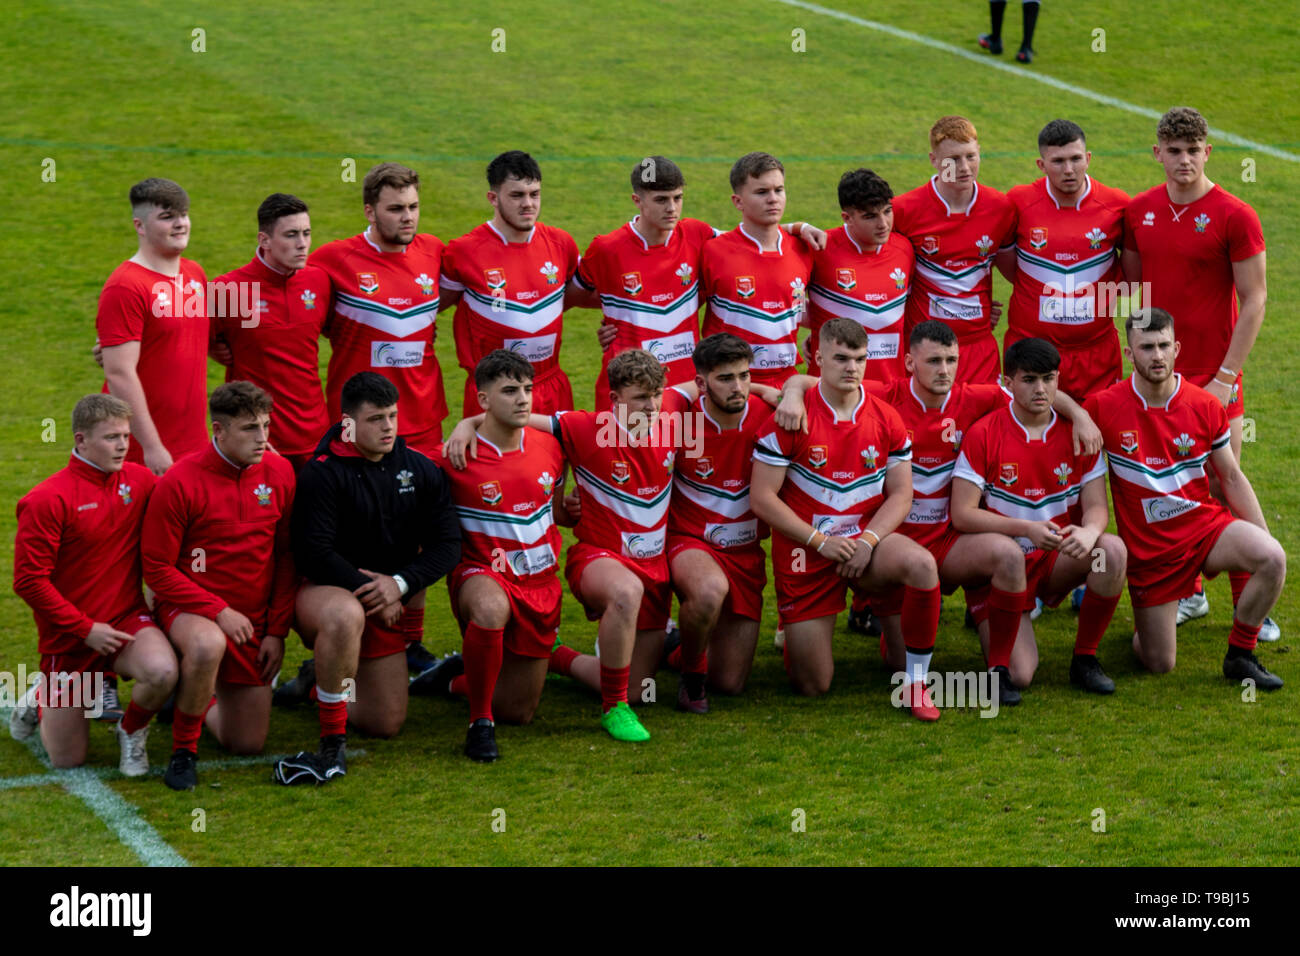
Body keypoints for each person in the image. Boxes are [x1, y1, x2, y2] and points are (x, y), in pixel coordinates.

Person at [779, 320, 1101, 705]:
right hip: (891, 543)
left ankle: (1000, 668)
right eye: (933, 360)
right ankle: (883, 635)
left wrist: (1079, 415)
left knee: (1007, 555)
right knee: (887, 666)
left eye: (951, 360)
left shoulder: (979, 398)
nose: (944, 370)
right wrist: (792, 392)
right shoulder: (883, 395)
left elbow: (1036, 388)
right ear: (909, 362)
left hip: (951, 543)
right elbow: (812, 384)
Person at [446, 349, 679, 742]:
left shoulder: (675, 419)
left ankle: (558, 659)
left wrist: (787, 391)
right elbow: (509, 416)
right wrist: (465, 424)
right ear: (615, 399)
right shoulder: (582, 428)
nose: (651, 405)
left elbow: (709, 382)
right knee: (625, 593)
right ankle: (614, 709)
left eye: (657, 394)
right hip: (598, 560)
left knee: (640, 689)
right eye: (641, 397)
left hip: (655, 566)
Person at [1123, 106, 1276, 640]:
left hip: (1214, 378)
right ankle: (1184, 594)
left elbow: (1254, 300)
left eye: (1193, 150)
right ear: (1157, 153)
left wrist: (1227, 375)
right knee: (1166, 485)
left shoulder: (1236, 214)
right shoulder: (1139, 212)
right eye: (1174, 150)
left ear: (1208, 152)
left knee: (1222, 481)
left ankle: (1252, 600)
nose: (1184, 159)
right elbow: (1136, 297)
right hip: (1156, 378)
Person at [275, 373, 461, 784]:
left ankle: (316, 682)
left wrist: (399, 584)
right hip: (326, 594)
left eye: (393, 416)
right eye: (376, 419)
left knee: (385, 723)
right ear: (348, 424)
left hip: (384, 599)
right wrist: (375, 591)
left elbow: (448, 544)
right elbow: (314, 554)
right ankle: (331, 742)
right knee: (344, 617)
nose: (389, 427)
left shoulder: (419, 469)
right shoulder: (321, 473)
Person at [750, 318, 942, 714]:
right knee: (813, 685)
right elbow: (762, 499)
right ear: (818, 358)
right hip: (808, 552)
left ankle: (916, 683)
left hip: (867, 547)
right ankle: (799, 632)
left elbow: (902, 494)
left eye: (860, 359)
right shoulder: (790, 419)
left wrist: (868, 542)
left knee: (922, 564)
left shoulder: (887, 418)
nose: (852, 368)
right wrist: (822, 542)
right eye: (841, 358)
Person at [1085, 308, 1284, 689]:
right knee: (1159, 663)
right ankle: (1151, 621)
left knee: (1272, 557)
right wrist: (1075, 414)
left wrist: (1262, 532)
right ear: (1130, 355)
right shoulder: (1104, 407)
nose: (1156, 356)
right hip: (1151, 553)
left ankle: (1240, 655)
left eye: (1163, 346)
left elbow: (1229, 476)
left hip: (1204, 530)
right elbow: (1045, 403)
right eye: (1146, 348)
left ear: (1176, 349)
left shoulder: (1206, 405)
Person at [309, 162, 448, 668]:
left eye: (412, 206)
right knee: (357, 535)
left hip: (423, 420)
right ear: (370, 210)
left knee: (416, 533)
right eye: (395, 209)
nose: (407, 217)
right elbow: (292, 317)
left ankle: (409, 645)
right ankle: (347, 636)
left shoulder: (434, 252)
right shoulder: (332, 261)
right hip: (356, 431)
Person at [950, 338, 1126, 697]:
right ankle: (999, 650)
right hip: (1001, 566)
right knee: (1021, 675)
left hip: (1054, 559)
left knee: (1111, 551)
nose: (1041, 389)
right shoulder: (985, 432)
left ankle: (1085, 658)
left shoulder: (1078, 432)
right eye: (1029, 380)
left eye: (1048, 378)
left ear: (1058, 380)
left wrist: (1091, 532)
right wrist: (1025, 528)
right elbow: (962, 514)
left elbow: (1096, 507)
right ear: (1008, 382)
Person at [141, 382, 297, 790]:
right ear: (219, 430)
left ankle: (195, 692)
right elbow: (156, 568)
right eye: (249, 428)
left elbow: (285, 558)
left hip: (251, 621)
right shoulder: (179, 481)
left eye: (266, 425)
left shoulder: (281, 473)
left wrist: (277, 630)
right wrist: (218, 611)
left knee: (245, 743)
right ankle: (183, 753)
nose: (263, 438)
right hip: (190, 609)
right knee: (209, 643)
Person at [12, 395, 177, 775]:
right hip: (69, 638)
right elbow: (28, 581)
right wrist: (85, 629)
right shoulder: (46, 500)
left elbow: (185, 495)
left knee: (163, 672)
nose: (122, 446)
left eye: (125, 436)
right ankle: (40, 695)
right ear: (81, 440)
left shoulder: (138, 481)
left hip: (125, 619)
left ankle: (131, 730)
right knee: (68, 761)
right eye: (110, 438)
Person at [432, 350, 570, 761]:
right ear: (483, 399)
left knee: (519, 712)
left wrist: (571, 513)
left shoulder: (551, 446)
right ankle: (479, 724)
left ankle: (452, 680)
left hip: (541, 585)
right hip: (483, 572)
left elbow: (558, 508)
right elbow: (390, 467)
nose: (523, 399)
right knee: (490, 609)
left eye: (527, 389)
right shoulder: (453, 457)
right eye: (509, 391)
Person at [664, 334, 777, 710]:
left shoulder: (770, 416)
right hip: (690, 541)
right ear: (700, 384)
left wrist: (785, 391)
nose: (738, 387)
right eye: (725, 378)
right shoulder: (676, 419)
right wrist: (471, 425)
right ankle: (692, 674)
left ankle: (678, 648)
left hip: (746, 552)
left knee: (729, 682)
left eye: (745, 376)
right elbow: (604, 427)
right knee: (710, 589)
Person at [440, 151, 581, 417]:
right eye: (517, 195)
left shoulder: (561, 243)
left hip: (551, 387)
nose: (528, 204)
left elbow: (586, 295)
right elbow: (428, 307)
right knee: (493, 460)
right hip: (494, 392)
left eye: (534, 194)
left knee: (555, 459)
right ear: (493, 198)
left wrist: (613, 325)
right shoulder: (464, 251)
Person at [571, 156, 717, 407]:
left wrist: (797, 227)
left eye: (677, 198)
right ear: (637, 201)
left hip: (689, 387)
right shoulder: (606, 249)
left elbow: (746, 240)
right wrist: (618, 309)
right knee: (626, 447)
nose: (671, 207)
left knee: (689, 447)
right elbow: (570, 296)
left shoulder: (697, 234)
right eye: (661, 199)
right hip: (631, 391)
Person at [1001, 120, 1129, 401]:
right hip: (1030, 349)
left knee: (1098, 438)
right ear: (1041, 164)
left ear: (1089, 159)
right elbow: (1007, 266)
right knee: (1032, 439)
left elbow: (1133, 275)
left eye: (1076, 159)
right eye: (1058, 161)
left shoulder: (1117, 205)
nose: (1068, 169)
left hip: (1097, 355)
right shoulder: (1018, 203)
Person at [208, 193, 332, 471]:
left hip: (316, 440)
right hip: (258, 442)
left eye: (306, 233)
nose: (302, 244)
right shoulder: (230, 290)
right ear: (264, 241)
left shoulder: (319, 281)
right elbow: (177, 335)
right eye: (291, 235)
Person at [892, 117, 1016, 386]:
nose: (964, 167)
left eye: (971, 156)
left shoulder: (1000, 208)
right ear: (934, 160)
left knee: (983, 427)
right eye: (953, 159)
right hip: (926, 350)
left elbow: (1021, 275)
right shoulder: (903, 210)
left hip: (978, 349)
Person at [97, 178, 209, 475]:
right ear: (140, 226)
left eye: (183, 214)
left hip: (195, 444)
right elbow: (119, 373)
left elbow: (189, 339)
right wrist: (152, 446)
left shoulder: (194, 274)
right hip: (145, 451)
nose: (180, 224)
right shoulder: (125, 286)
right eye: (167, 217)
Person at [700, 152, 818, 390]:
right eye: (762, 192)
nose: (773, 199)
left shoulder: (803, 248)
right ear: (738, 201)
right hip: (732, 385)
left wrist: (819, 334)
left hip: (787, 381)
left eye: (779, 190)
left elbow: (795, 305)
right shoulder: (713, 251)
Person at [806, 169, 914, 383]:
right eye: (870, 216)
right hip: (832, 391)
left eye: (887, 211)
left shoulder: (904, 249)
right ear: (847, 218)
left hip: (891, 389)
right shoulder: (820, 248)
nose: (883, 223)